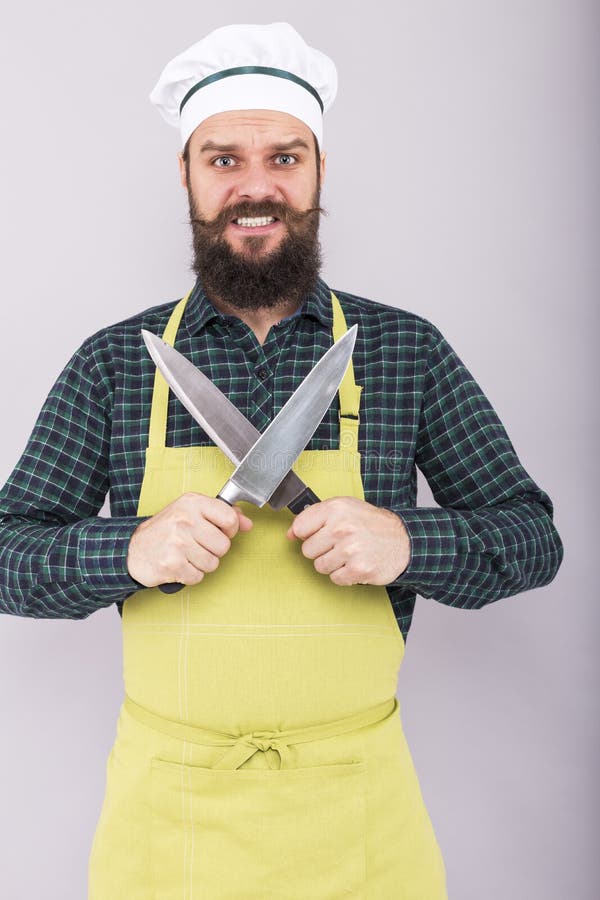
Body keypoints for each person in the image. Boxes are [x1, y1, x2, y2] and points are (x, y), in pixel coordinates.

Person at [0, 22, 563, 899]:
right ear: (184, 175)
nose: (254, 188)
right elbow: (7, 556)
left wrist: (409, 543)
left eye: (284, 157)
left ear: (319, 173)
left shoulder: (402, 351)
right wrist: (128, 552)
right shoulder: (116, 363)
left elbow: (534, 539)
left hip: (358, 817)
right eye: (222, 159)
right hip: (169, 821)